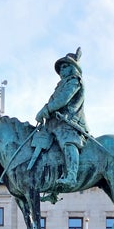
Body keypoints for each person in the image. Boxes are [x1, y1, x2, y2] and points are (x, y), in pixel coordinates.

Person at [31, 48, 89, 190]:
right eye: (60, 68)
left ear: (73, 68)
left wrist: (46, 110)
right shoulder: (61, 85)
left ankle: (71, 176)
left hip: (70, 122)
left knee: (68, 142)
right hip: (55, 123)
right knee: (42, 143)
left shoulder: (74, 81)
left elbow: (62, 100)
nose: (61, 71)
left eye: (64, 67)